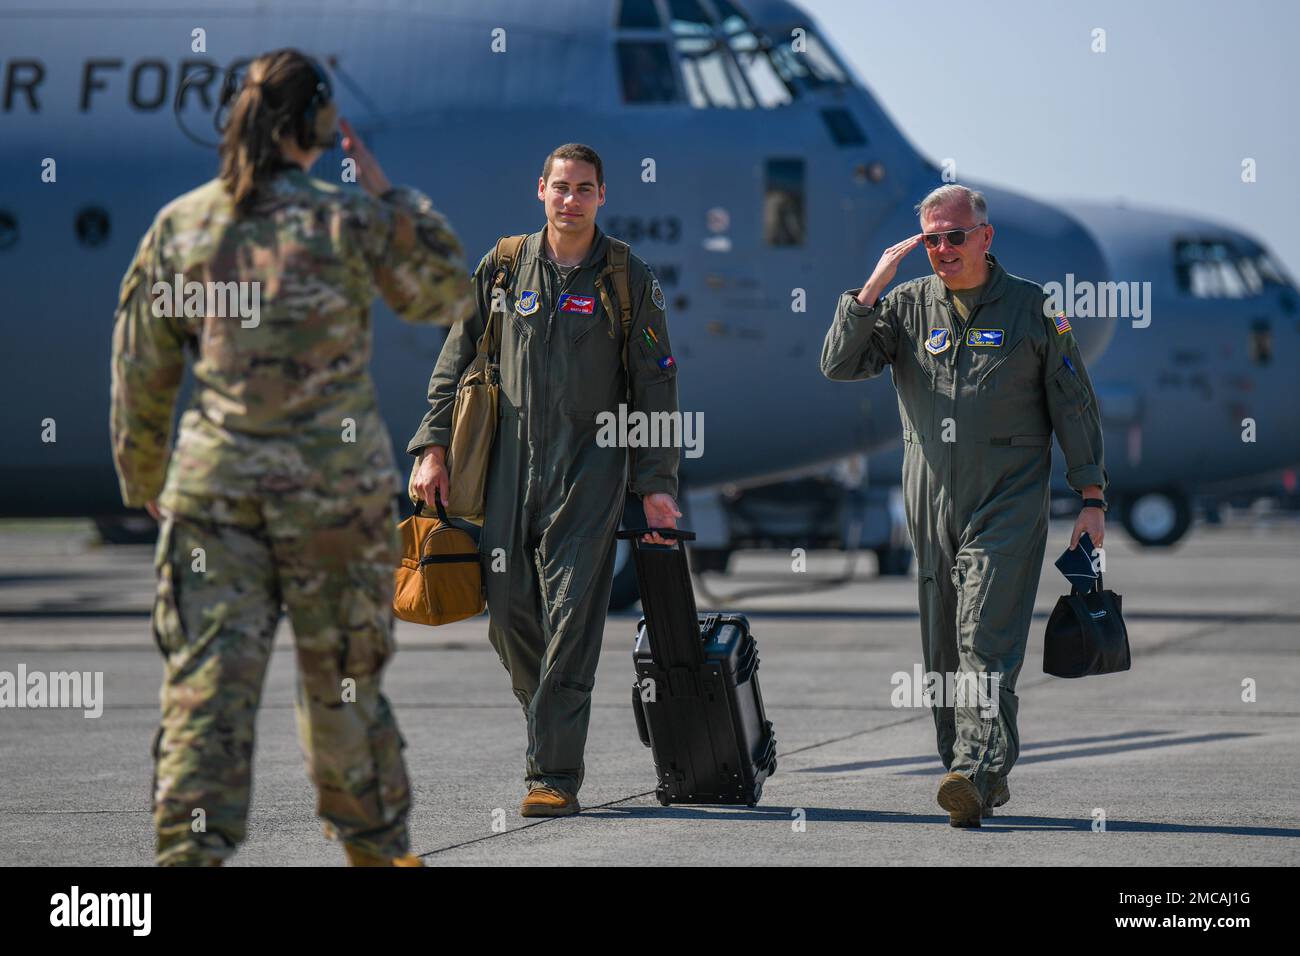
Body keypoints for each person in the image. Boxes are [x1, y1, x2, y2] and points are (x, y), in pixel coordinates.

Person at [109, 48, 474, 865]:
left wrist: (143, 479)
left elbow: (141, 368)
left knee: (204, 697)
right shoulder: (350, 219)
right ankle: (378, 853)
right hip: (332, 508)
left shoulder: (185, 225)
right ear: (317, 123)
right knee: (343, 693)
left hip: (215, 501)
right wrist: (390, 190)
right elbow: (449, 289)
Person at [407, 143, 681, 817]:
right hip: (507, 464)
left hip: (590, 467)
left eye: (584, 189)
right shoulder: (503, 266)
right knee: (506, 612)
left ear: (601, 197)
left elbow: (656, 381)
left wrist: (655, 481)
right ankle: (549, 717)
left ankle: (554, 774)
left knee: (574, 618)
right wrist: (432, 446)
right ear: (541, 190)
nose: (571, 199)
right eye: (561, 187)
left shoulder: (626, 277)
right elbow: (455, 356)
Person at [820, 184, 1107, 827]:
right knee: (944, 648)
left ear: (985, 236)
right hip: (929, 500)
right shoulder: (905, 307)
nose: (943, 249)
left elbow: (1074, 405)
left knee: (985, 633)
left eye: (955, 236)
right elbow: (838, 363)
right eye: (931, 240)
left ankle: (975, 767)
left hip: (1008, 496)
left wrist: (1091, 497)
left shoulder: (1033, 309)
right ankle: (972, 772)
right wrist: (870, 288)